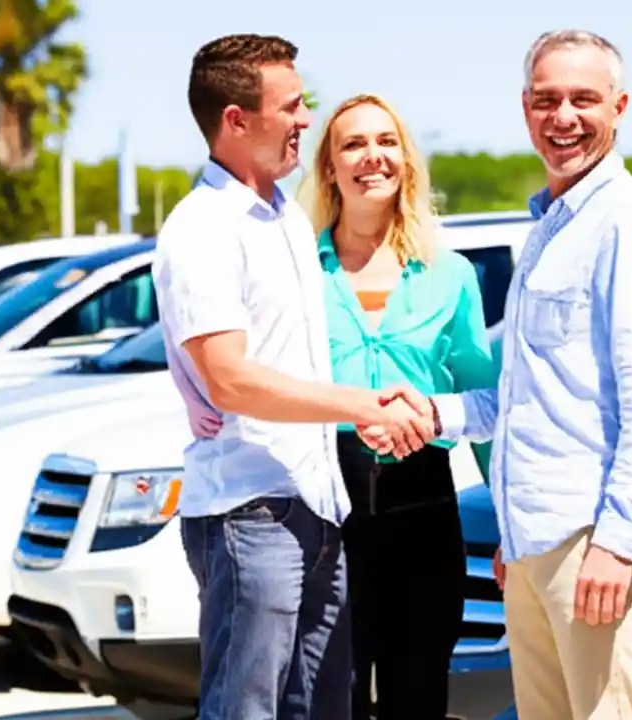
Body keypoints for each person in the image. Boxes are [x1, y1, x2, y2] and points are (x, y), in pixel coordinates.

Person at [411, 29, 632, 719]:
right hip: (537, 545)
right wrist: (432, 413)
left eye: (583, 99)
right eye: (546, 100)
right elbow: (531, 396)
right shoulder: (553, 226)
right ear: (525, 108)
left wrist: (616, 546)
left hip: (593, 544)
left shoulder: (628, 225)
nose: (562, 116)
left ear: (619, 106)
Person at [152, 34, 434, 719]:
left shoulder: (282, 217)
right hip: (251, 516)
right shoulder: (203, 229)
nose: (307, 119)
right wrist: (361, 405)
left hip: (313, 507)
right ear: (235, 121)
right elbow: (231, 379)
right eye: (292, 106)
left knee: (324, 709)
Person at [299, 93, 497, 718]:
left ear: (406, 162)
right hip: (328, 510)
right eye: (352, 144)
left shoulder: (451, 275)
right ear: (329, 168)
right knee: (336, 695)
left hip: (424, 507)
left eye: (386, 142)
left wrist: (510, 523)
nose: (371, 157)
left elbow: (485, 405)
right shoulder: (298, 273)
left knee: (419, 694)